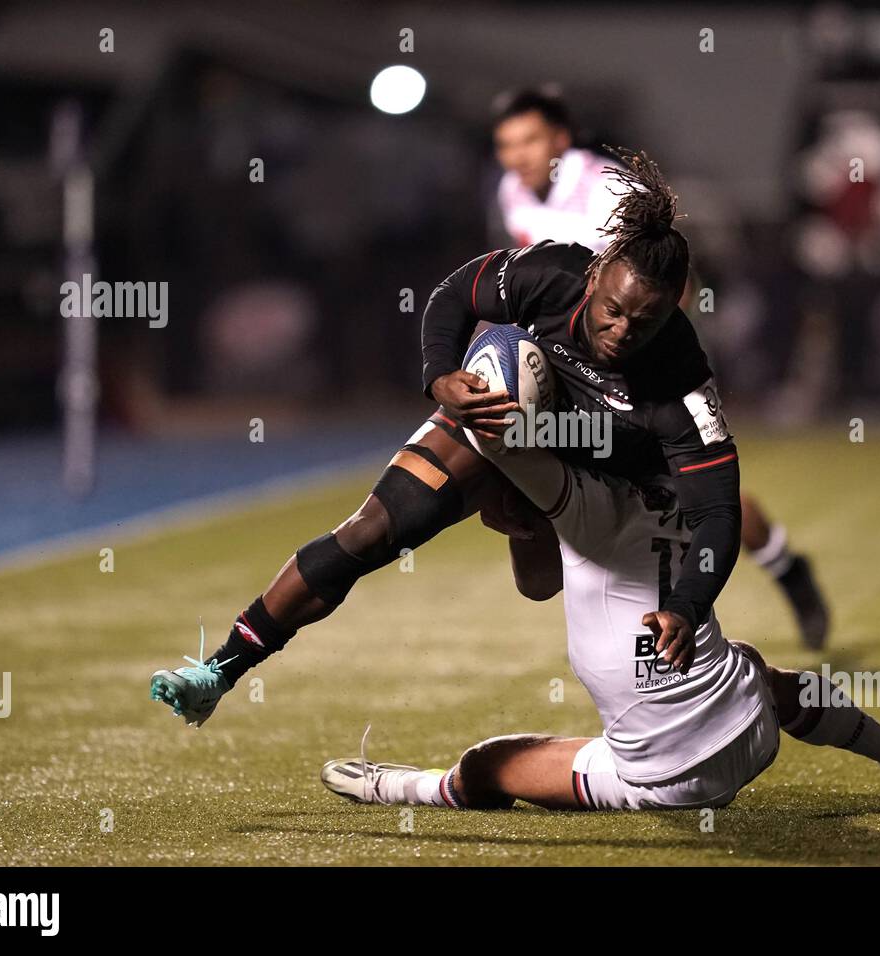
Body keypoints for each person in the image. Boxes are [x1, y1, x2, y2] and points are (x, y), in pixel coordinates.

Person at [151, 151, 749, 724]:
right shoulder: (552, 274)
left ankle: (522, 510)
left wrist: (685, 605)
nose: (621, 331)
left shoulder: (683, 387)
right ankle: (220, 671)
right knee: (372, 530)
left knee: (539, 587)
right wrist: (439, 375)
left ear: (674, 311)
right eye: (612, 311)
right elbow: (452, 296)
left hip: (600, 479)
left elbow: (718, 513)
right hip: (505, 414)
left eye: (643, 322)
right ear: (595, 276)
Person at [321, 433, 880, 810]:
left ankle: (405, 788)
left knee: (489, 762)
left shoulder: (585, 502)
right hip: (751, 725)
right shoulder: (696, 487)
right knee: (756, 669)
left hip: (659, 777)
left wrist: (465, 373)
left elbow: (511, 476)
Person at [493, 86, 830, 648]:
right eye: (506, 144)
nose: (517, 155)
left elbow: (667, 282)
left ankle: (786, 566)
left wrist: (651, 366)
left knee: (692, 492)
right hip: (572, 365)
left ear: (559, 138)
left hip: (640, 363)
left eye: (529, 140)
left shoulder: (605, 190)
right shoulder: (510, 192)